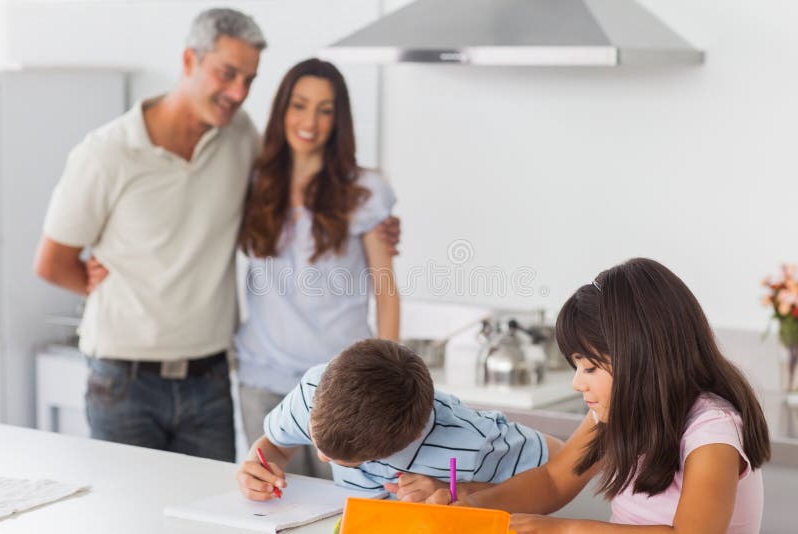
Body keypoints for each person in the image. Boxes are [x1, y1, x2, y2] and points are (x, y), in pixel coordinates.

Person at [34, 9, 400, 460]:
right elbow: (51, 262)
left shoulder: (239, 141)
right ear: (189, 60)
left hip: (209, 380)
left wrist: (378, 221)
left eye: (248, 80)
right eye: (227, 74)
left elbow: (319, 192)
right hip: (125, 380)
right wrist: (100, 286)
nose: (237, 92)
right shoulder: (107, 153)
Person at [428, 258, 771, 534]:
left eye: (590, 368)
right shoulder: (619, 410)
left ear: (642, 359)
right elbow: (552, 480)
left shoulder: (712, 433)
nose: (578, 383)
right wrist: (475, 507)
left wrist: (564, 530)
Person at [234, 59, 399, 476]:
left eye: (325, 110)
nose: (310, 121)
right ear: (281, 111)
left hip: (342, 387)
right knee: (274, 508)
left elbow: (386, 289)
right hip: (262, 379)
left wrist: (389, 379)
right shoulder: (251, 183)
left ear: (338, 120)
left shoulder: (364, 191)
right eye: (300, 105)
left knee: (347, 511)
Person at [235, 338, 562, 502]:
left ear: (411, 439)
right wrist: (257, 464)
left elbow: (557, 467)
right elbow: (274, 446)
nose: (321, 458)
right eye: (315, 439)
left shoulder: (469, 438)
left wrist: (455, 490)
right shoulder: (310, 393)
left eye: (346, 462)